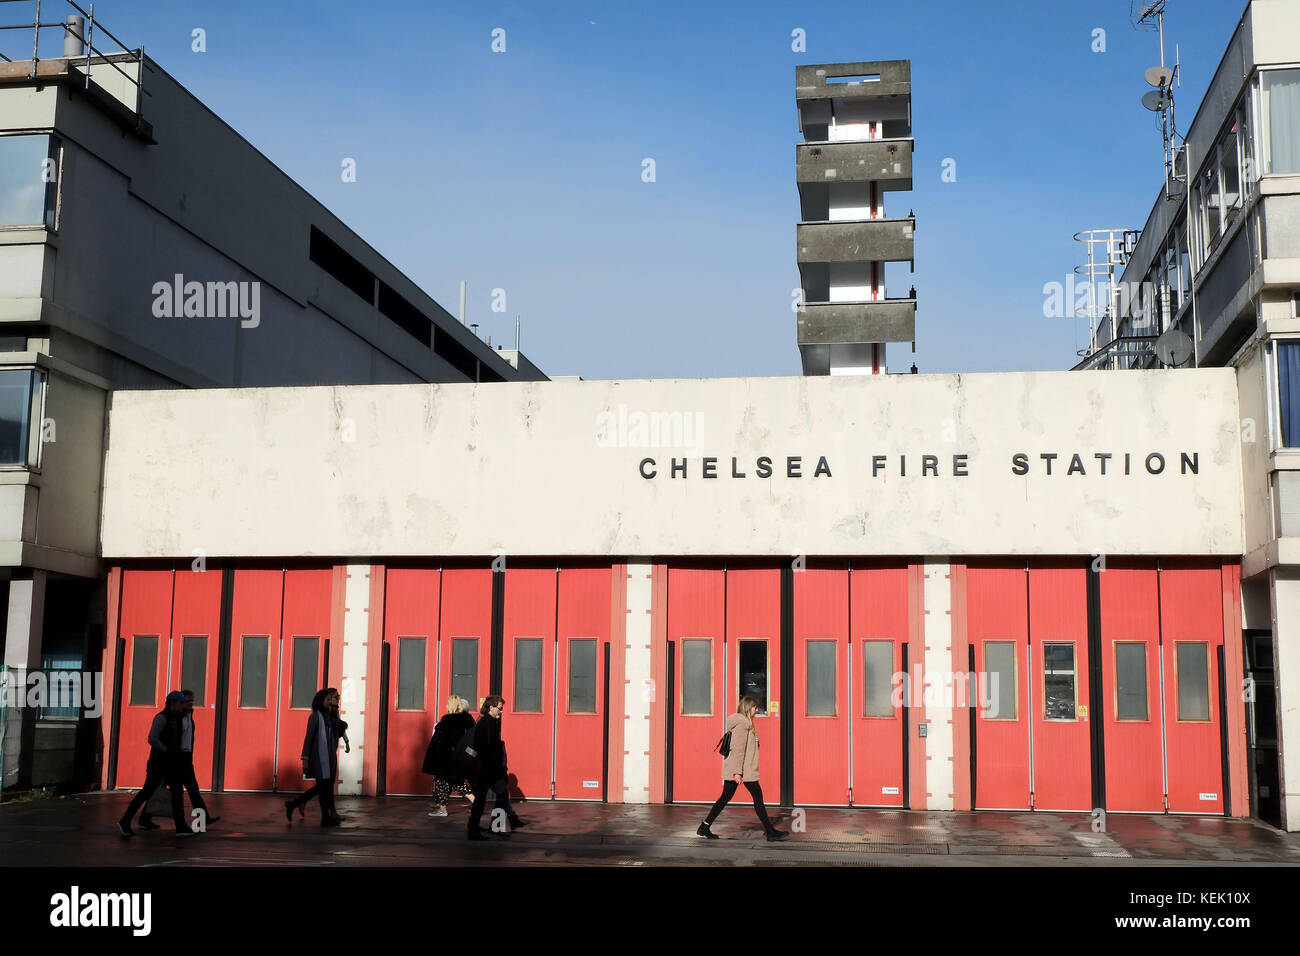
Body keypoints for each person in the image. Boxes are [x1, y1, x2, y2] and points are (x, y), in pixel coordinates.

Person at [697, 696, 787, 841]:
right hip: (742, 769)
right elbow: (738, 749)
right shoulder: (743, 724)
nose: (756, 710)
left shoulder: (747, 724)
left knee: (725, 798)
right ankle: (770, 832)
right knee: (757, 796)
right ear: (747, 708)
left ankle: (705, 826)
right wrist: (737, 772)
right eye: (754, 707)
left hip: (743, 768)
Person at [117, 691, 195, 837]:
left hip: (169, 764)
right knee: (146, 793)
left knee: (176, 792)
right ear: (173, 702)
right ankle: (125, 821)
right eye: (181, 702)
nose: (183, 705)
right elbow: (152, 738)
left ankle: (180, 827)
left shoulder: (175, 718)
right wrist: (166, 750)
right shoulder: (162, 718)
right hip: (158, 765)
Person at [138, 689, 219, 829]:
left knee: (193, 789)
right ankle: (147, 817)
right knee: (162, 789)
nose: (190, 704)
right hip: (176, 758)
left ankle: (202, 818)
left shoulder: (189, 716)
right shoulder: (176, 717)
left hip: (186, 758)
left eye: (191, 701)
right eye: (187, 701)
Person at [465, 695, 524, 840]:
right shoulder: (485, 723)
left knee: (500, 793)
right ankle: (474, 829)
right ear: (491, 707)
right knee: (482, 798)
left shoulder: (493, 721)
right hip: (486, 768)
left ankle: (492, 827)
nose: (501, 711)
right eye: (500, 708)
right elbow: (484, 747)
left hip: (491, 768)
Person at [285, 688, 346, 826]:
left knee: (325, 787)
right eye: (328, 700)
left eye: (332, 699)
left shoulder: (330, 717)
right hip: (319, 757)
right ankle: (299, 805)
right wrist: (305, 758)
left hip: (329, 757)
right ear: (320, 701)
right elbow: (309, 738)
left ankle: (299, 806)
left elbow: (336, 735)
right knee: (323, 787)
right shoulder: (315, 716)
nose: (331, 702)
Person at [423, 695, 475, 817]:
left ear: (450, 706)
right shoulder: (466, 720)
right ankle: (476, 803)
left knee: (441, 782)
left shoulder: (448, 720)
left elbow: (443, 740)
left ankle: (442, 809)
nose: (445, 706)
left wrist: (438, 727)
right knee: (457, 783)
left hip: (446, 758)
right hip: (457, 757)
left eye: (447, 704)